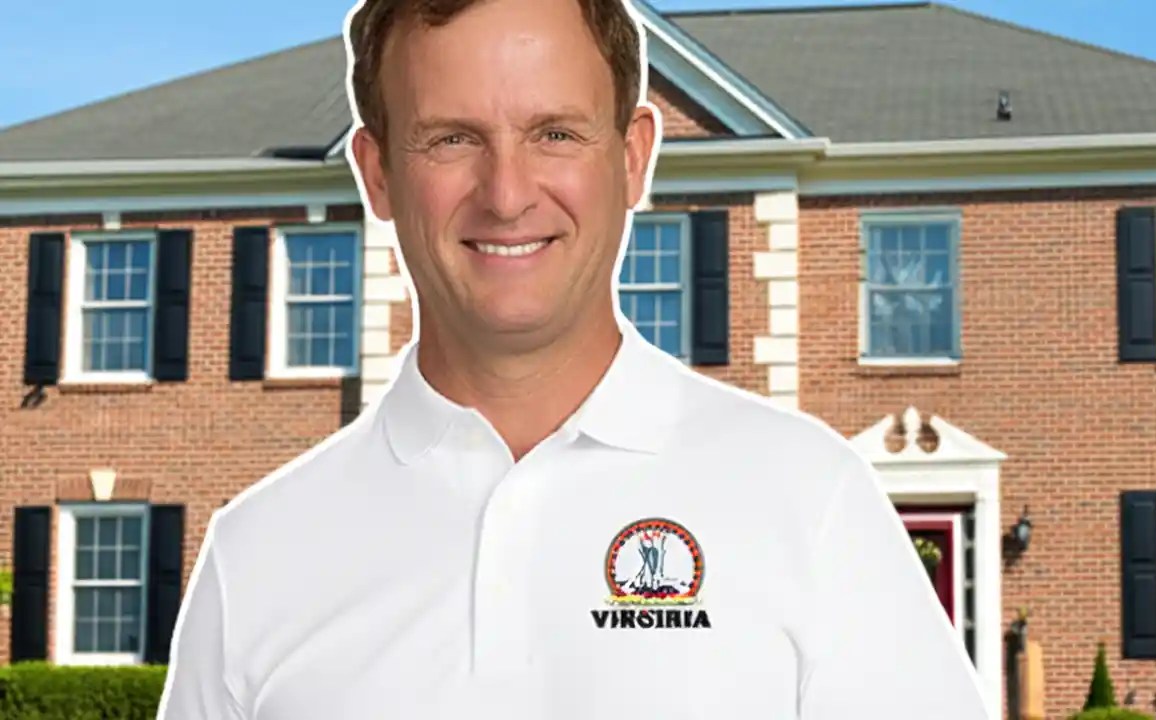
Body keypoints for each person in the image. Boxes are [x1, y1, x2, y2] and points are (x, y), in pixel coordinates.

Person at [157, 0, 990, 717]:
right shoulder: (256, 555)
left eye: (554, 133)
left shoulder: (810, 499)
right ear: (376, 174)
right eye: (451, 139)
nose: (507, 194)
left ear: (632, 158)